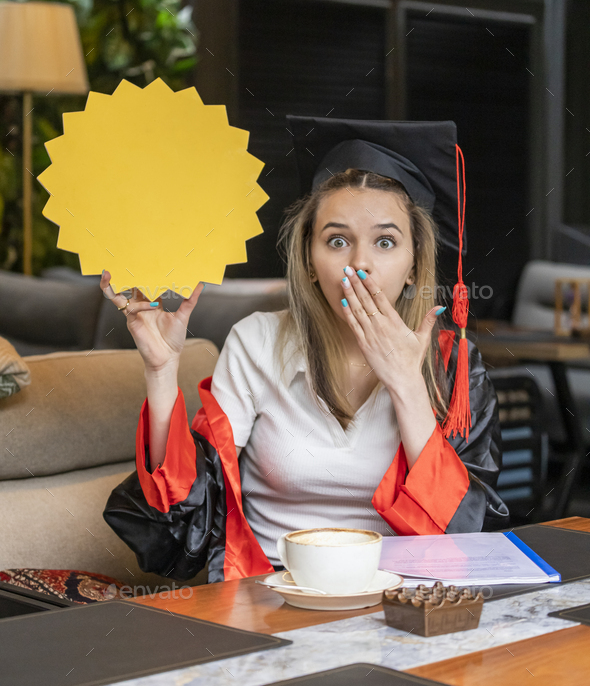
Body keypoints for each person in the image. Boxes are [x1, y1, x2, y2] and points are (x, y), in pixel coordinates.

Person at [103, 117, 509, 583]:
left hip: (398, 594)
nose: (359, 264)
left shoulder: (452, 365)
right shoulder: (256, 342)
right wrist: (160, 370)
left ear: (414, 265)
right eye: (337, 241)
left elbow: (463, 539)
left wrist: (406, 385)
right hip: (271, 593)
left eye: (385, 242)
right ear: (310, 262)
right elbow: (185, 515)